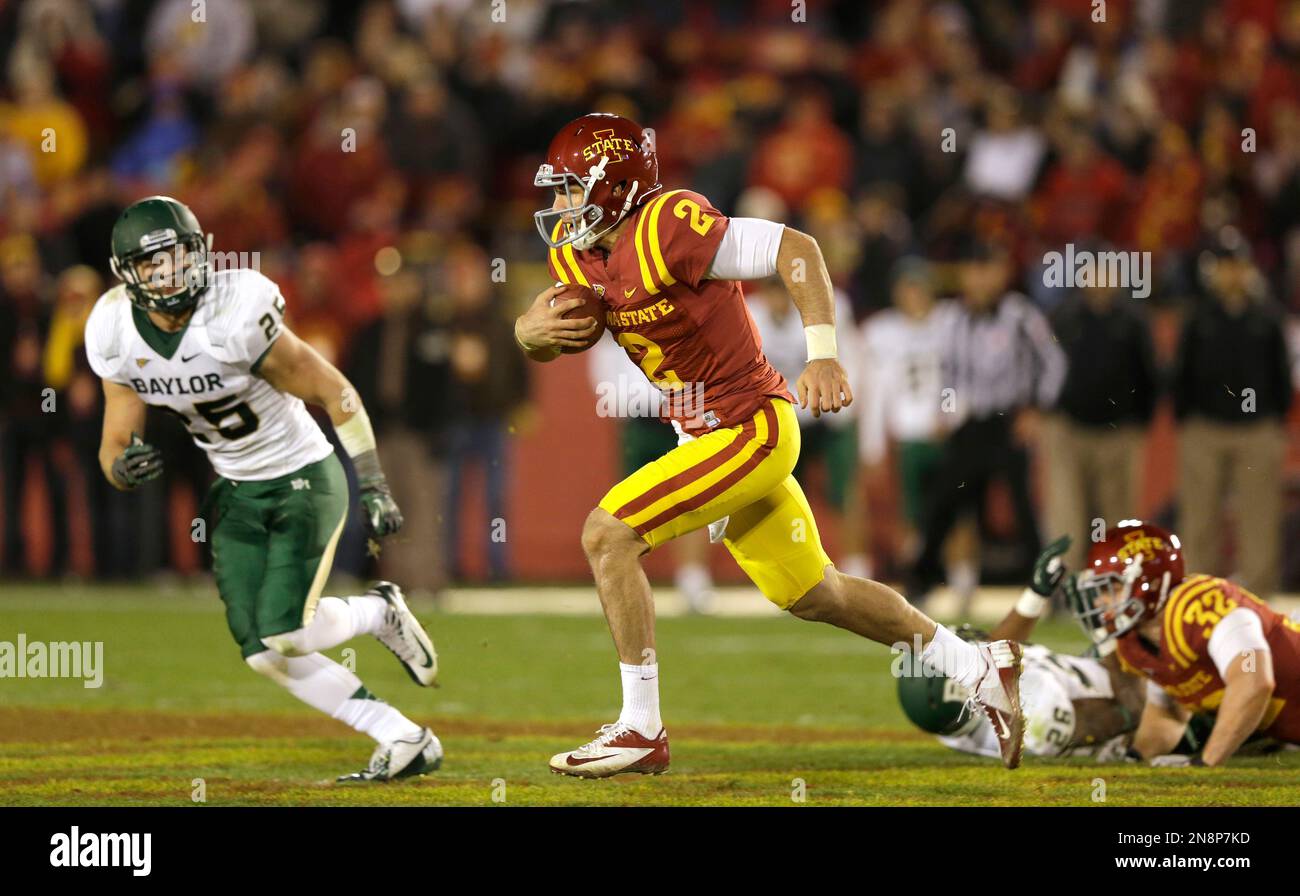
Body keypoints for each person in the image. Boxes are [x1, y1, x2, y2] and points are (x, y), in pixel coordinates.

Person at [514, 112, 1028, 777]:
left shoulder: (670, 225)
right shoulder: (576, 255)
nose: (559, 205)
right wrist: (529, 331)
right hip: (704, 433)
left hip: (749, 425)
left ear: (612, 186)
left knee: (605, 535)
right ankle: (979, 663)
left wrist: (823, 355)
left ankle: (641, 728)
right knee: (817, 594)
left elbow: (798, 249)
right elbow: (544, 332)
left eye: (570, 188)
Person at [84, 196, 441, 782]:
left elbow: (336, 392)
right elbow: (113, 440)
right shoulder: (113, 329)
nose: (169, 273)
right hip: (235, 486)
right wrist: (121, 467)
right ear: (129, 275)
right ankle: (402, 736)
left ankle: (376, 612)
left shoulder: (235, 311)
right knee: (263, 651)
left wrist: (372, 480)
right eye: (153, 264)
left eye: (177, 257)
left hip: (303, 474)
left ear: (199, 254)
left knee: (284, 629)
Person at [1067, 521, 1300, 766]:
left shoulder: (1201, 607)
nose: (1099, 603)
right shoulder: (1137, 643)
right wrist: (1136, 755)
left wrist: (1205, 761)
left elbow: (1253, 682)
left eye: (1111, 588)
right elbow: (1168, 714)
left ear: (1151, 584)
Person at [900, 538, 1145, 762]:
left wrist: (1036, 593)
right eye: (962, 657)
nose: (971, 648)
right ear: (966, 689)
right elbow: (1133, 710)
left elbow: (994, 648)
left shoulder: (951, 722)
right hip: (1132, 689)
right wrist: (1106, 637)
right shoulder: (1039, 716)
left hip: (1099, 674)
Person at [1173, 229, 1295, 599]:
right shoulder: (1197, 317)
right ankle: (1196, 595)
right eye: (1224, 266)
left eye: (1237, 265)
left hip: (1256, 429)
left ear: (1248, 269)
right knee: (1200, 517)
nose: (1231, 274)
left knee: (1258, 517)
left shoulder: (1267, 317)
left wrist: (1274, 421)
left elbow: (1281, 374)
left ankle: (1258, 596)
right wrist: (1188, 421)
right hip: (1205, 428)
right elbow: (1181, 372)